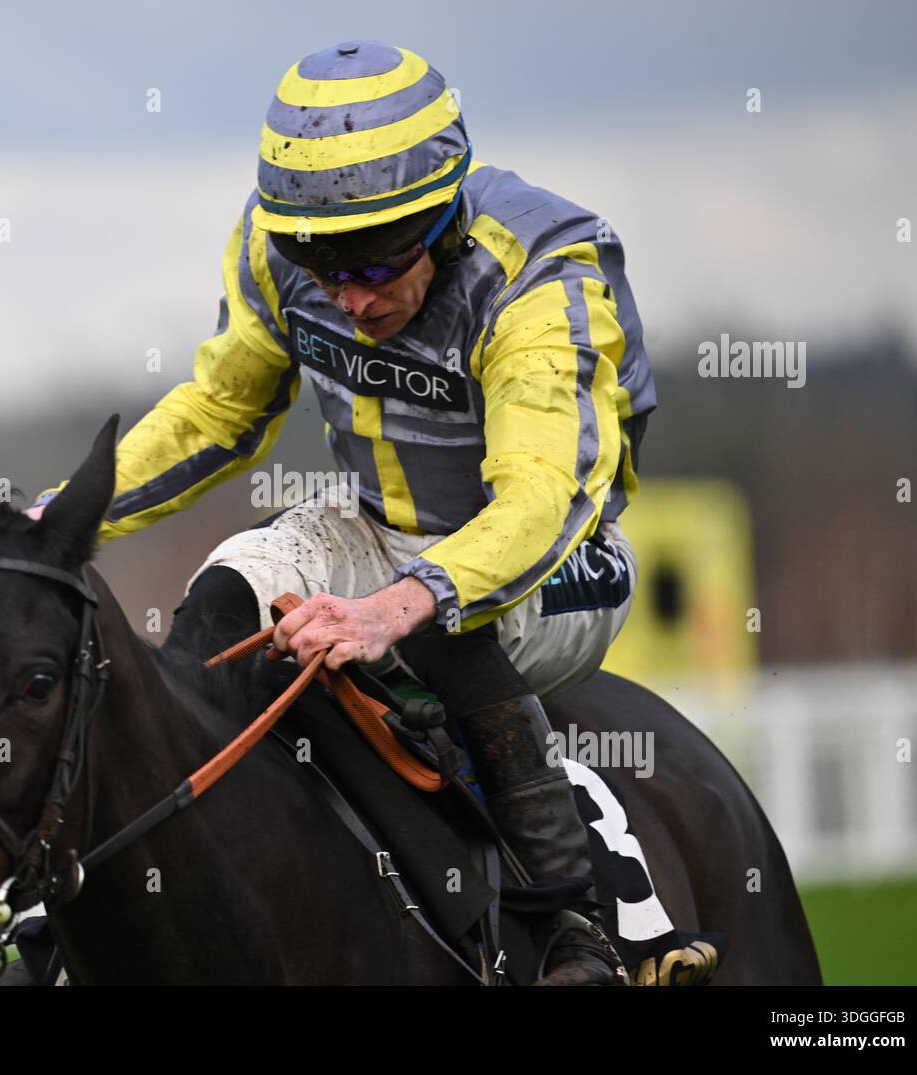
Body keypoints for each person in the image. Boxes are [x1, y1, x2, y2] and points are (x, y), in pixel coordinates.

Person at [32, 40, 656, 985]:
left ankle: (575, 922)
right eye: (320, 266)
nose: (349, 297)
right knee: (228, 592)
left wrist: (394, 605)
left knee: (442, 622)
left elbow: (537, 501)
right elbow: (220, 412)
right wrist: (63, 518)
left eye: (374, 265)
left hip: (560, 557)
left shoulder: (534, 275)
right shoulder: (280, 246)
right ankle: (96, 902)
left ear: (443, 215)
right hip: (374, 528)